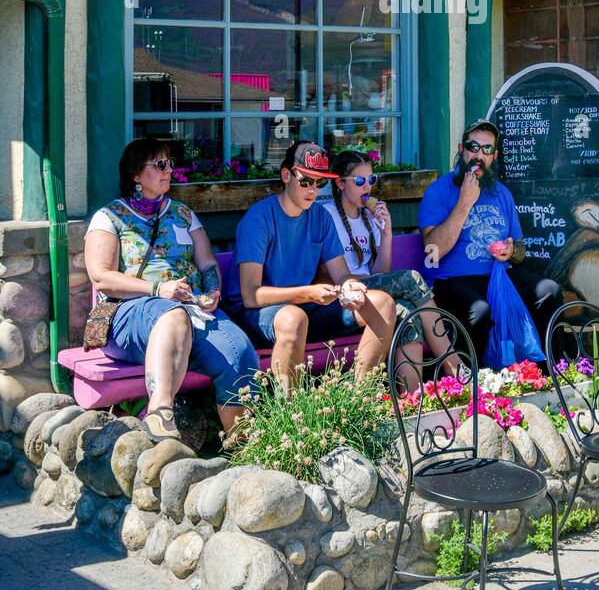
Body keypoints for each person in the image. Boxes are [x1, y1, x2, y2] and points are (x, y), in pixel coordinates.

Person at [84, 140, 259, 441]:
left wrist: (212, 291)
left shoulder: (183, 214)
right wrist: (157, 288)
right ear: (136, 175)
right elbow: (102, 278)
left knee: (238, 350)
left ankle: (243, 444)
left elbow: (207, 263)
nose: (168, 170)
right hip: (131, 312)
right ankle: (160, 417)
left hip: (192, 310)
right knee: (173, 316)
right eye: (160, 165)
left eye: (170, 164)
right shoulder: (110, 217)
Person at [228, 142, 396, 392]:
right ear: (286, 175)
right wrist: (308, 293)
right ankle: (290, 417)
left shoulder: (320, 217)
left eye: (319, 183)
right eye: (306, 181)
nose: (313, 190)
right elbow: (251, 296)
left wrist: (351, 287)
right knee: (293, 317)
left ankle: (359, 400)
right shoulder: (259, 218)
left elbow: (341, 274)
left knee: (382, 304)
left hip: (307, 309)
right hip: (258, 315)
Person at [418, 118, 563, 364]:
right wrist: (464, 202)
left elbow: (520, 250)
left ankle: (549, 375)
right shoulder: (439, 191)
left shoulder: (501, 193)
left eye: (487, 149)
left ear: (494, 156)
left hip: (500, 275)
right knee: (480, 311)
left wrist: (510, 251)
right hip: (453, 281)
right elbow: (433, 251)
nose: (479, 155)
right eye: (473, 147)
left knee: (549, 291)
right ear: (460, 149)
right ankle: (475, 385)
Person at [324, 150, 462, 390]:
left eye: (371, 180)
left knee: (406, 311)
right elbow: (330, 274)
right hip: (342, 297)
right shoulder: (327, 215)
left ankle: (411, 397)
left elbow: (382, 272)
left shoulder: (369, 217)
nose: (366, 186)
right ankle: (454, 365)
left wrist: (386, 233)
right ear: (339, 183)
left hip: (371, 292)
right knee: (412, 279)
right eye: (359, 181)